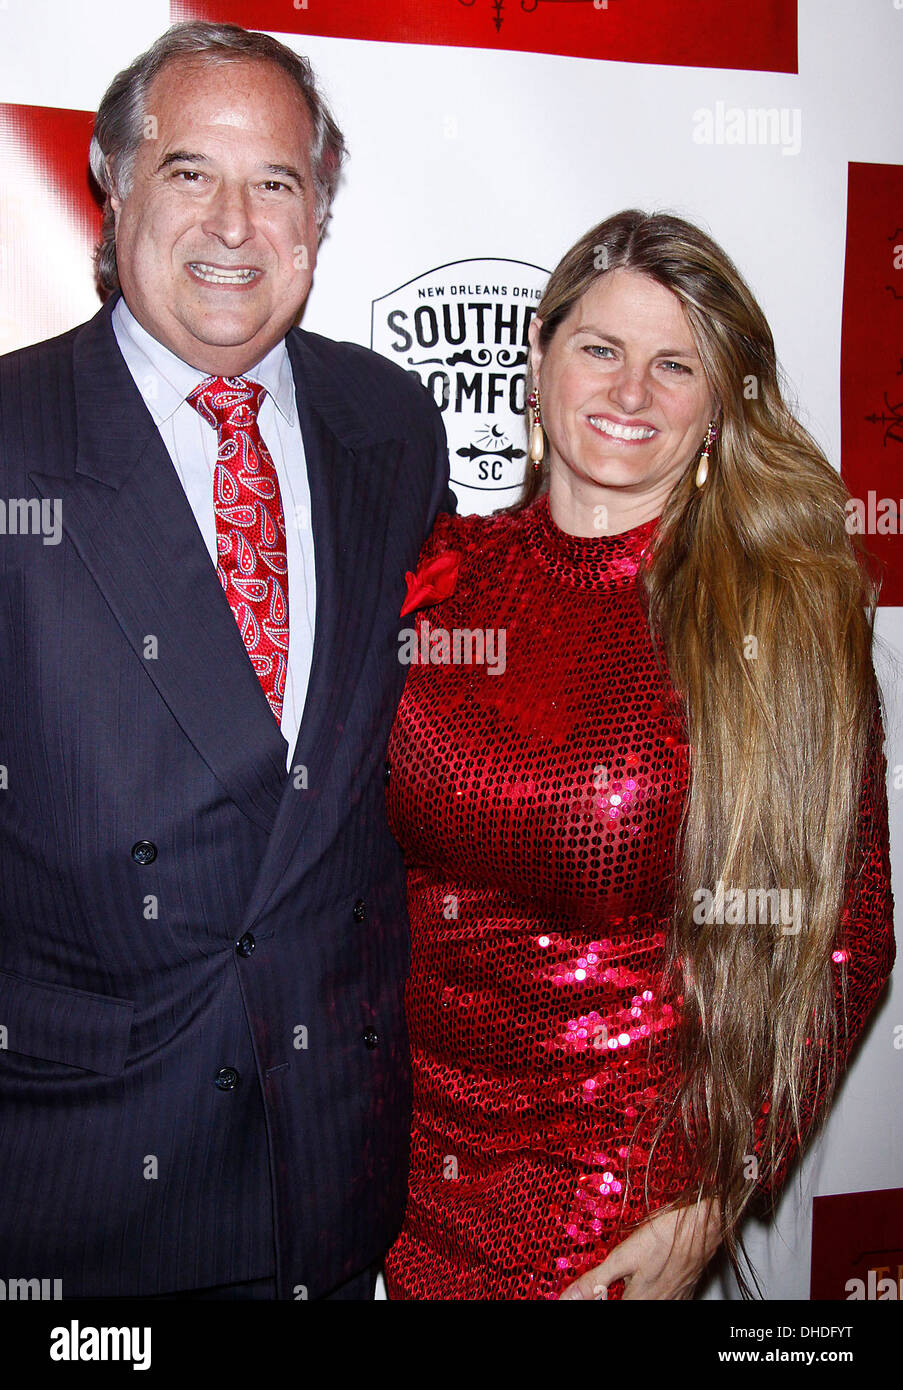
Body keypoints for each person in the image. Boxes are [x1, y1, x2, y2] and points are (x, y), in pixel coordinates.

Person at [0, 21, 452, 1300]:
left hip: (334, 1178)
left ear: (319, 217)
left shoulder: (392, 425)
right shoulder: (10, 436)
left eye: (279, 183)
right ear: (115, 186)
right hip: (74, 1195)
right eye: (193, 172)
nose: (236, 226)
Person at [383, 209, 895, 1300]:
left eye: (676, 365)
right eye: (601, 349)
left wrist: (708, 1202)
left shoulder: (778, 617)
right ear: (540, 364)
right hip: (399, 1161)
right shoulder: (446, 573)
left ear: (718, 409)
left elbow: (847, 945)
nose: (631, 392)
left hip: (614, 1187)